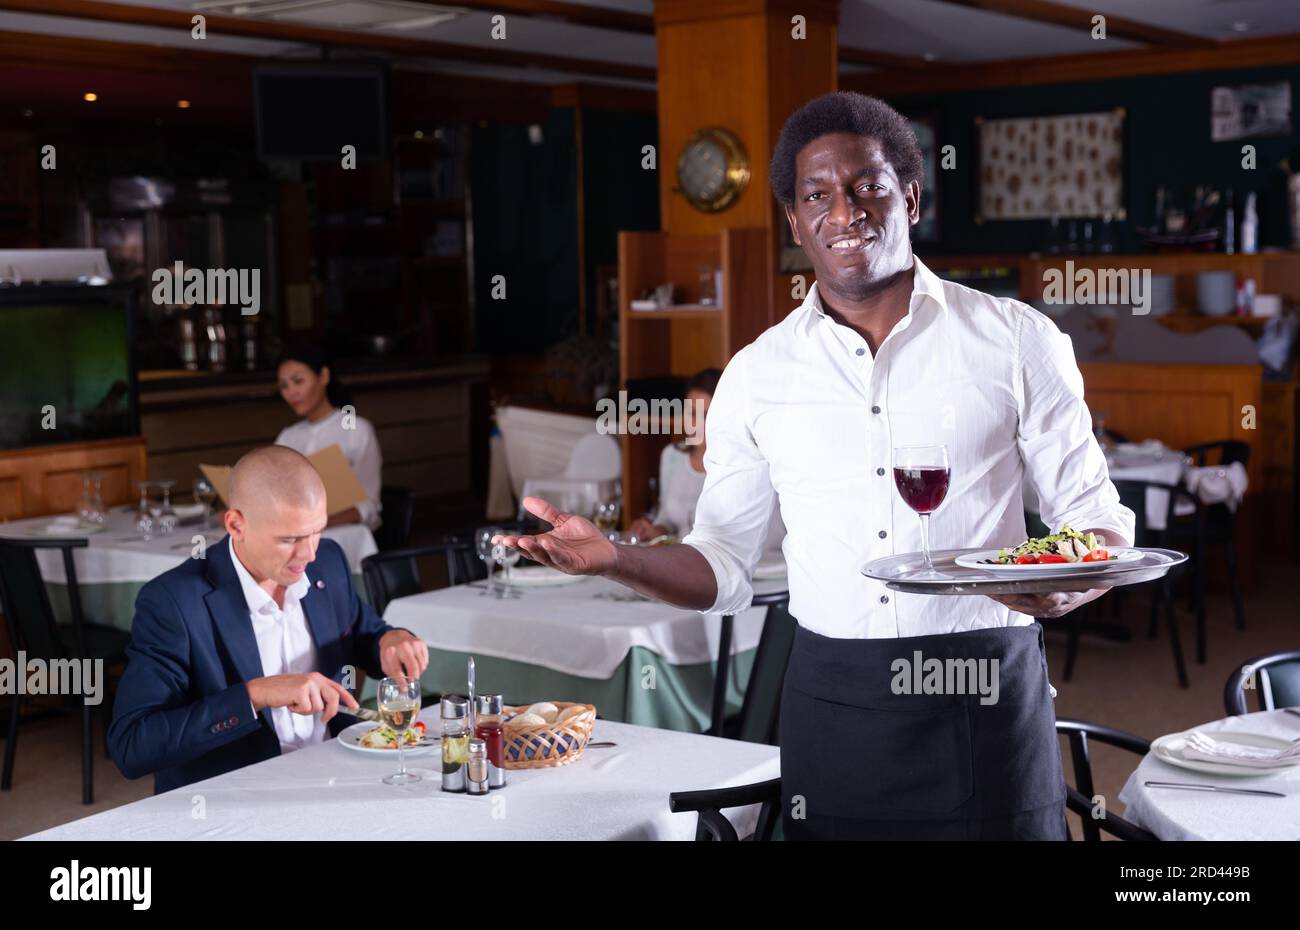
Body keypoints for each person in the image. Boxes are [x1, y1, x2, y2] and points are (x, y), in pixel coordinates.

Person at [496, 91, 1133, 840]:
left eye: (868, 186)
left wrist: (1072, 582)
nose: (845, 211)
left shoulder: (1018, 340)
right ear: (796, 222)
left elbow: (1095, 519)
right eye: (817, 194)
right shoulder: (756, 374)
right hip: (834, 701)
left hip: (985, 688)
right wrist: (615, 559)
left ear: (911, 198)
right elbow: (724, 566)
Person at [108, 446, 429, 793]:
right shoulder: (173, 602)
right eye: (289, 539)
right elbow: (133, 745)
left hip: (337, 777)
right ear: (236, 524)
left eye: (316, 530)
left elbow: (363, 632)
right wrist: (255, 694)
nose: (308, 553)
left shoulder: (328, 562)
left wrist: (388, 640)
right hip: (237, 798)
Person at [274, 343, 383, 530]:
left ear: (323, 376)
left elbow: (370, 505)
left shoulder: (356, 430)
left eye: (298, 381)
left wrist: (325, 521)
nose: (291, 392)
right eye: (284, 386)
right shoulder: (287, 437)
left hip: (344, 536)